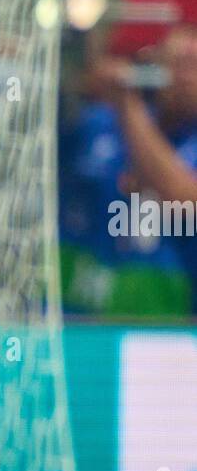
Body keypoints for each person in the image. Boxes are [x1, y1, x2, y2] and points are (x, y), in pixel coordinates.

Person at [59, 24, 197, 315]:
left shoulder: (127, 110)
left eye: (194, 66)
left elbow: (182, 198)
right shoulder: (99, 123)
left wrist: (126, 101)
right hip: (76, 314)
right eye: (177, 63)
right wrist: (78, 80)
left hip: (167, 327)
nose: (186, 77)